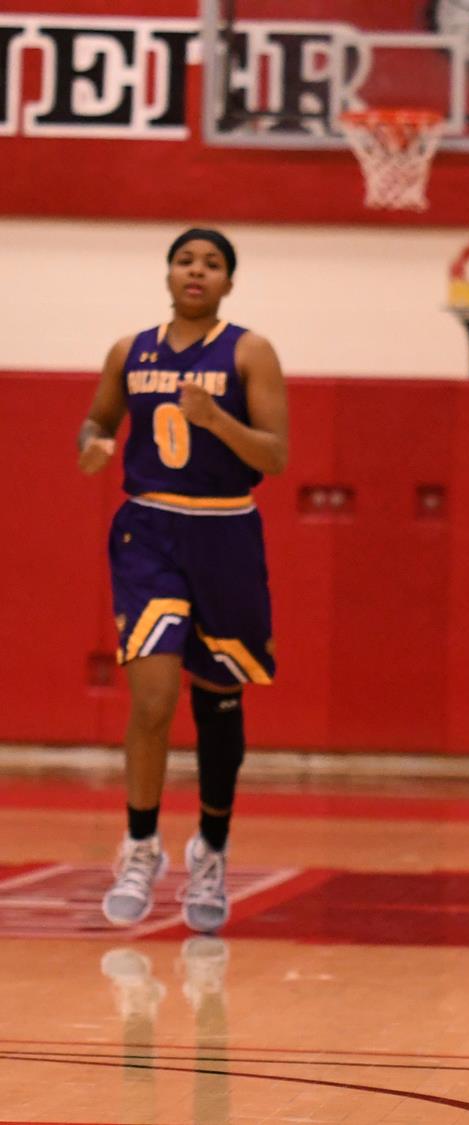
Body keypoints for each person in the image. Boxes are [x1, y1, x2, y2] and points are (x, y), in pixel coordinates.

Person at [79, 227, 288, 933]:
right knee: (153, 695)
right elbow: (97, 419)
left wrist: (217, 419)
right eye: (185, 261)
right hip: (149, 533)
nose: (196, 271)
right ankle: (140, 843)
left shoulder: (249, 350)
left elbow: (276, 454)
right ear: (167, 274)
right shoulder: (128, 350)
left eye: (212, 264)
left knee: (218, 703)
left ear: (229, 282)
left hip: (226, 531)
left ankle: (213, 850)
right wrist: (93, 443)